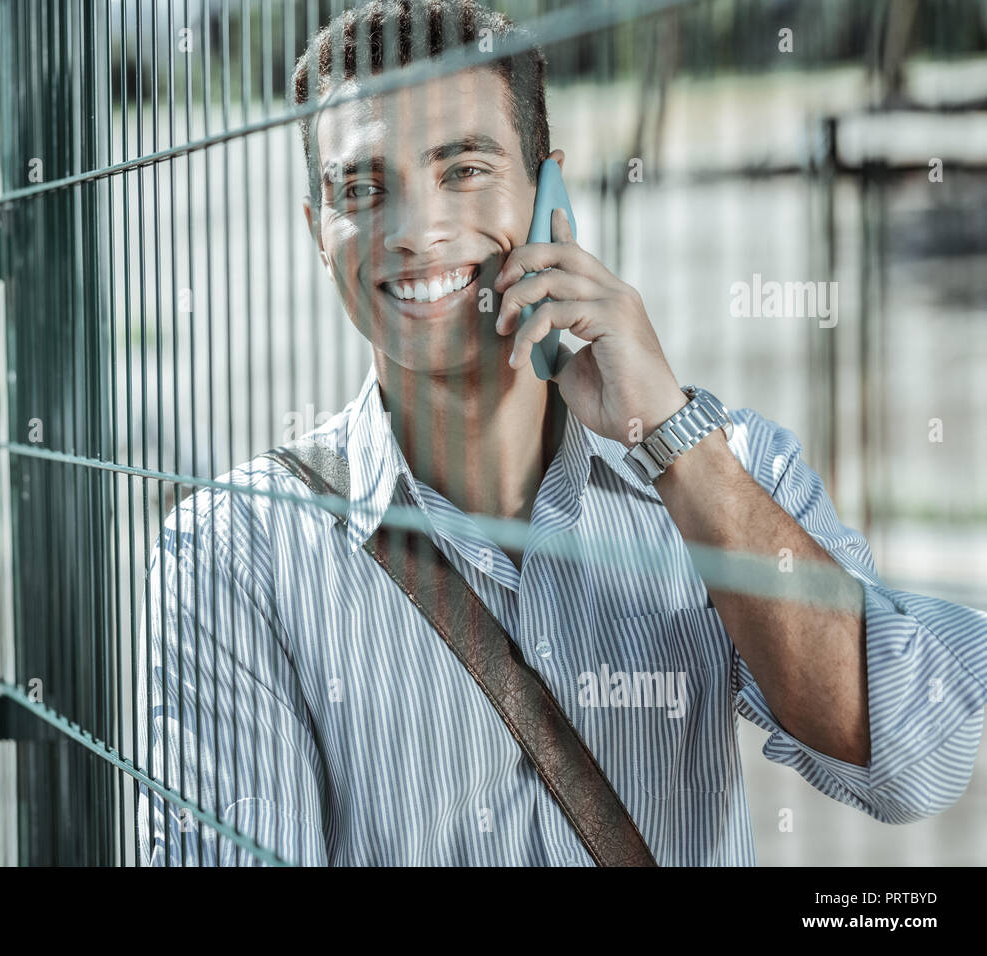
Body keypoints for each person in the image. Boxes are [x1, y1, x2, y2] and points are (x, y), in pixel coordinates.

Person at [137, 0, 986, 866]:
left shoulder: (731, 467)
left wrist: (670, 438)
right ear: (322, 234)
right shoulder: (228, 557)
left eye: (462, 167)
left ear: (548, 190)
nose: (416, 232)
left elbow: (915, 759)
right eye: (362, 188)